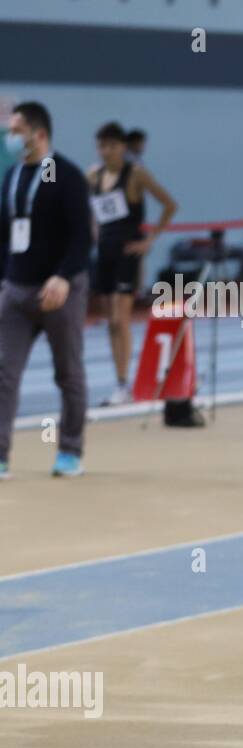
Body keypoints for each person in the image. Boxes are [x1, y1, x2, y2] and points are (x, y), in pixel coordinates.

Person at [0, 102, 93, 478]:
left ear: (38, 134)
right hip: (17, 291)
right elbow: (5, 234)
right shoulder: (12, 176)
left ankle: (70, 451)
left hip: (58, 291)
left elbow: (82, 236)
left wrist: (64, 276)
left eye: (16, 129)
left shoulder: (61, 174)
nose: (9, 136)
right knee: (4, 372)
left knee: (67, 372)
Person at [86, 121, 179, 408]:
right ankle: (120, 382)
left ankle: (124, 383)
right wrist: (93, 235)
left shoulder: (135, 174)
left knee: (119, 319)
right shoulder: (93, 175)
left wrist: (149, 240)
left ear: (123, 147)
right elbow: (89, 209)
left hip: (128, 252)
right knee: (109, 323)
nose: (106, 152)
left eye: (112, 146)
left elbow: (169, 204)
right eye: (101, 146)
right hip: (105, 254)